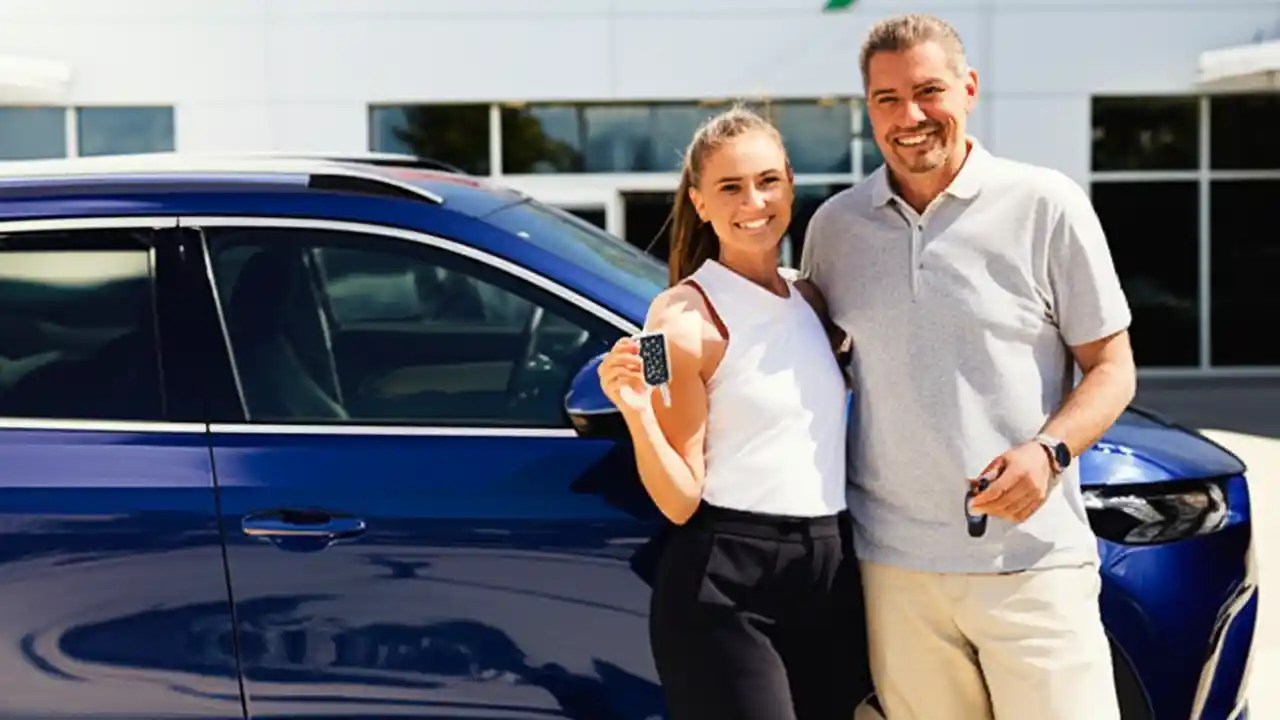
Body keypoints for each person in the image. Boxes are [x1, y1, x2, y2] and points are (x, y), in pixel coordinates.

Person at [800, 13, 1137, 720]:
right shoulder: (834, 228)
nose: (910, 116)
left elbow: (1112, 368)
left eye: (929, 91)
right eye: (887, 99)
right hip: (896, 571)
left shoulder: (1046, 204)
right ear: (868, 107)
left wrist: (1049, 453)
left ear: (969, 89)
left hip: (1033, 564)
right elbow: (807, 363)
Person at [597, 106, 871, 720]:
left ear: (791, 185)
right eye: (731, 187)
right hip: (727, 584)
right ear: (699, 202)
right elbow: (678, 497)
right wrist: (639, 413)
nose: (754, 200)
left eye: (768, 180)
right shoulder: (674, 322)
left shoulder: (812, 298)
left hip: (829, 572)